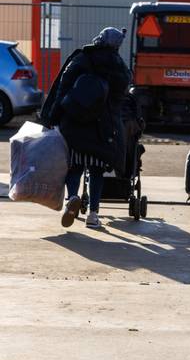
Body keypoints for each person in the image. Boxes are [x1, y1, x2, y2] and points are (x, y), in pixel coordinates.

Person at [40, 27, 131, 229]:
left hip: (74, 124)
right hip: (102, 129)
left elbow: (62, 88)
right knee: (97, 171)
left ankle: (72, 198)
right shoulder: (118, 67)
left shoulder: (81, 58)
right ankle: (93, 214)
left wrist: (52, 118)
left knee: (74, 167)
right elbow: (121, 97)